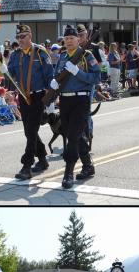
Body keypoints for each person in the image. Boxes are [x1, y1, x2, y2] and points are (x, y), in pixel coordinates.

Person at [50, 25, 101, 189]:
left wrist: (77, 72)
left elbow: (96, 77)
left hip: (81, 101)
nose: (69, 41)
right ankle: (88, 165)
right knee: (75, 135)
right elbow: (57, 76)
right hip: (65, 102)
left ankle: (68, 174)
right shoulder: (63, 57)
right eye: (66, 39)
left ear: (78, 39)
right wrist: (54, 85)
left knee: (72, 137)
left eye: (72, 38)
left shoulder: (87, 56)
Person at [7, 24, 54, 179]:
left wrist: (50, 99)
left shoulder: (40, 52)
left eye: (23, 36)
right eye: (18, 37)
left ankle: (27, 165)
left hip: (38, 95)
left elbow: (49, 75)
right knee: (29, 131)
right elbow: (12, 76)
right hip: (23, 96)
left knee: (32, 130)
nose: (20, 40)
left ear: (30, 36)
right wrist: (5, 73)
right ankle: (42, 158)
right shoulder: (15, 55)